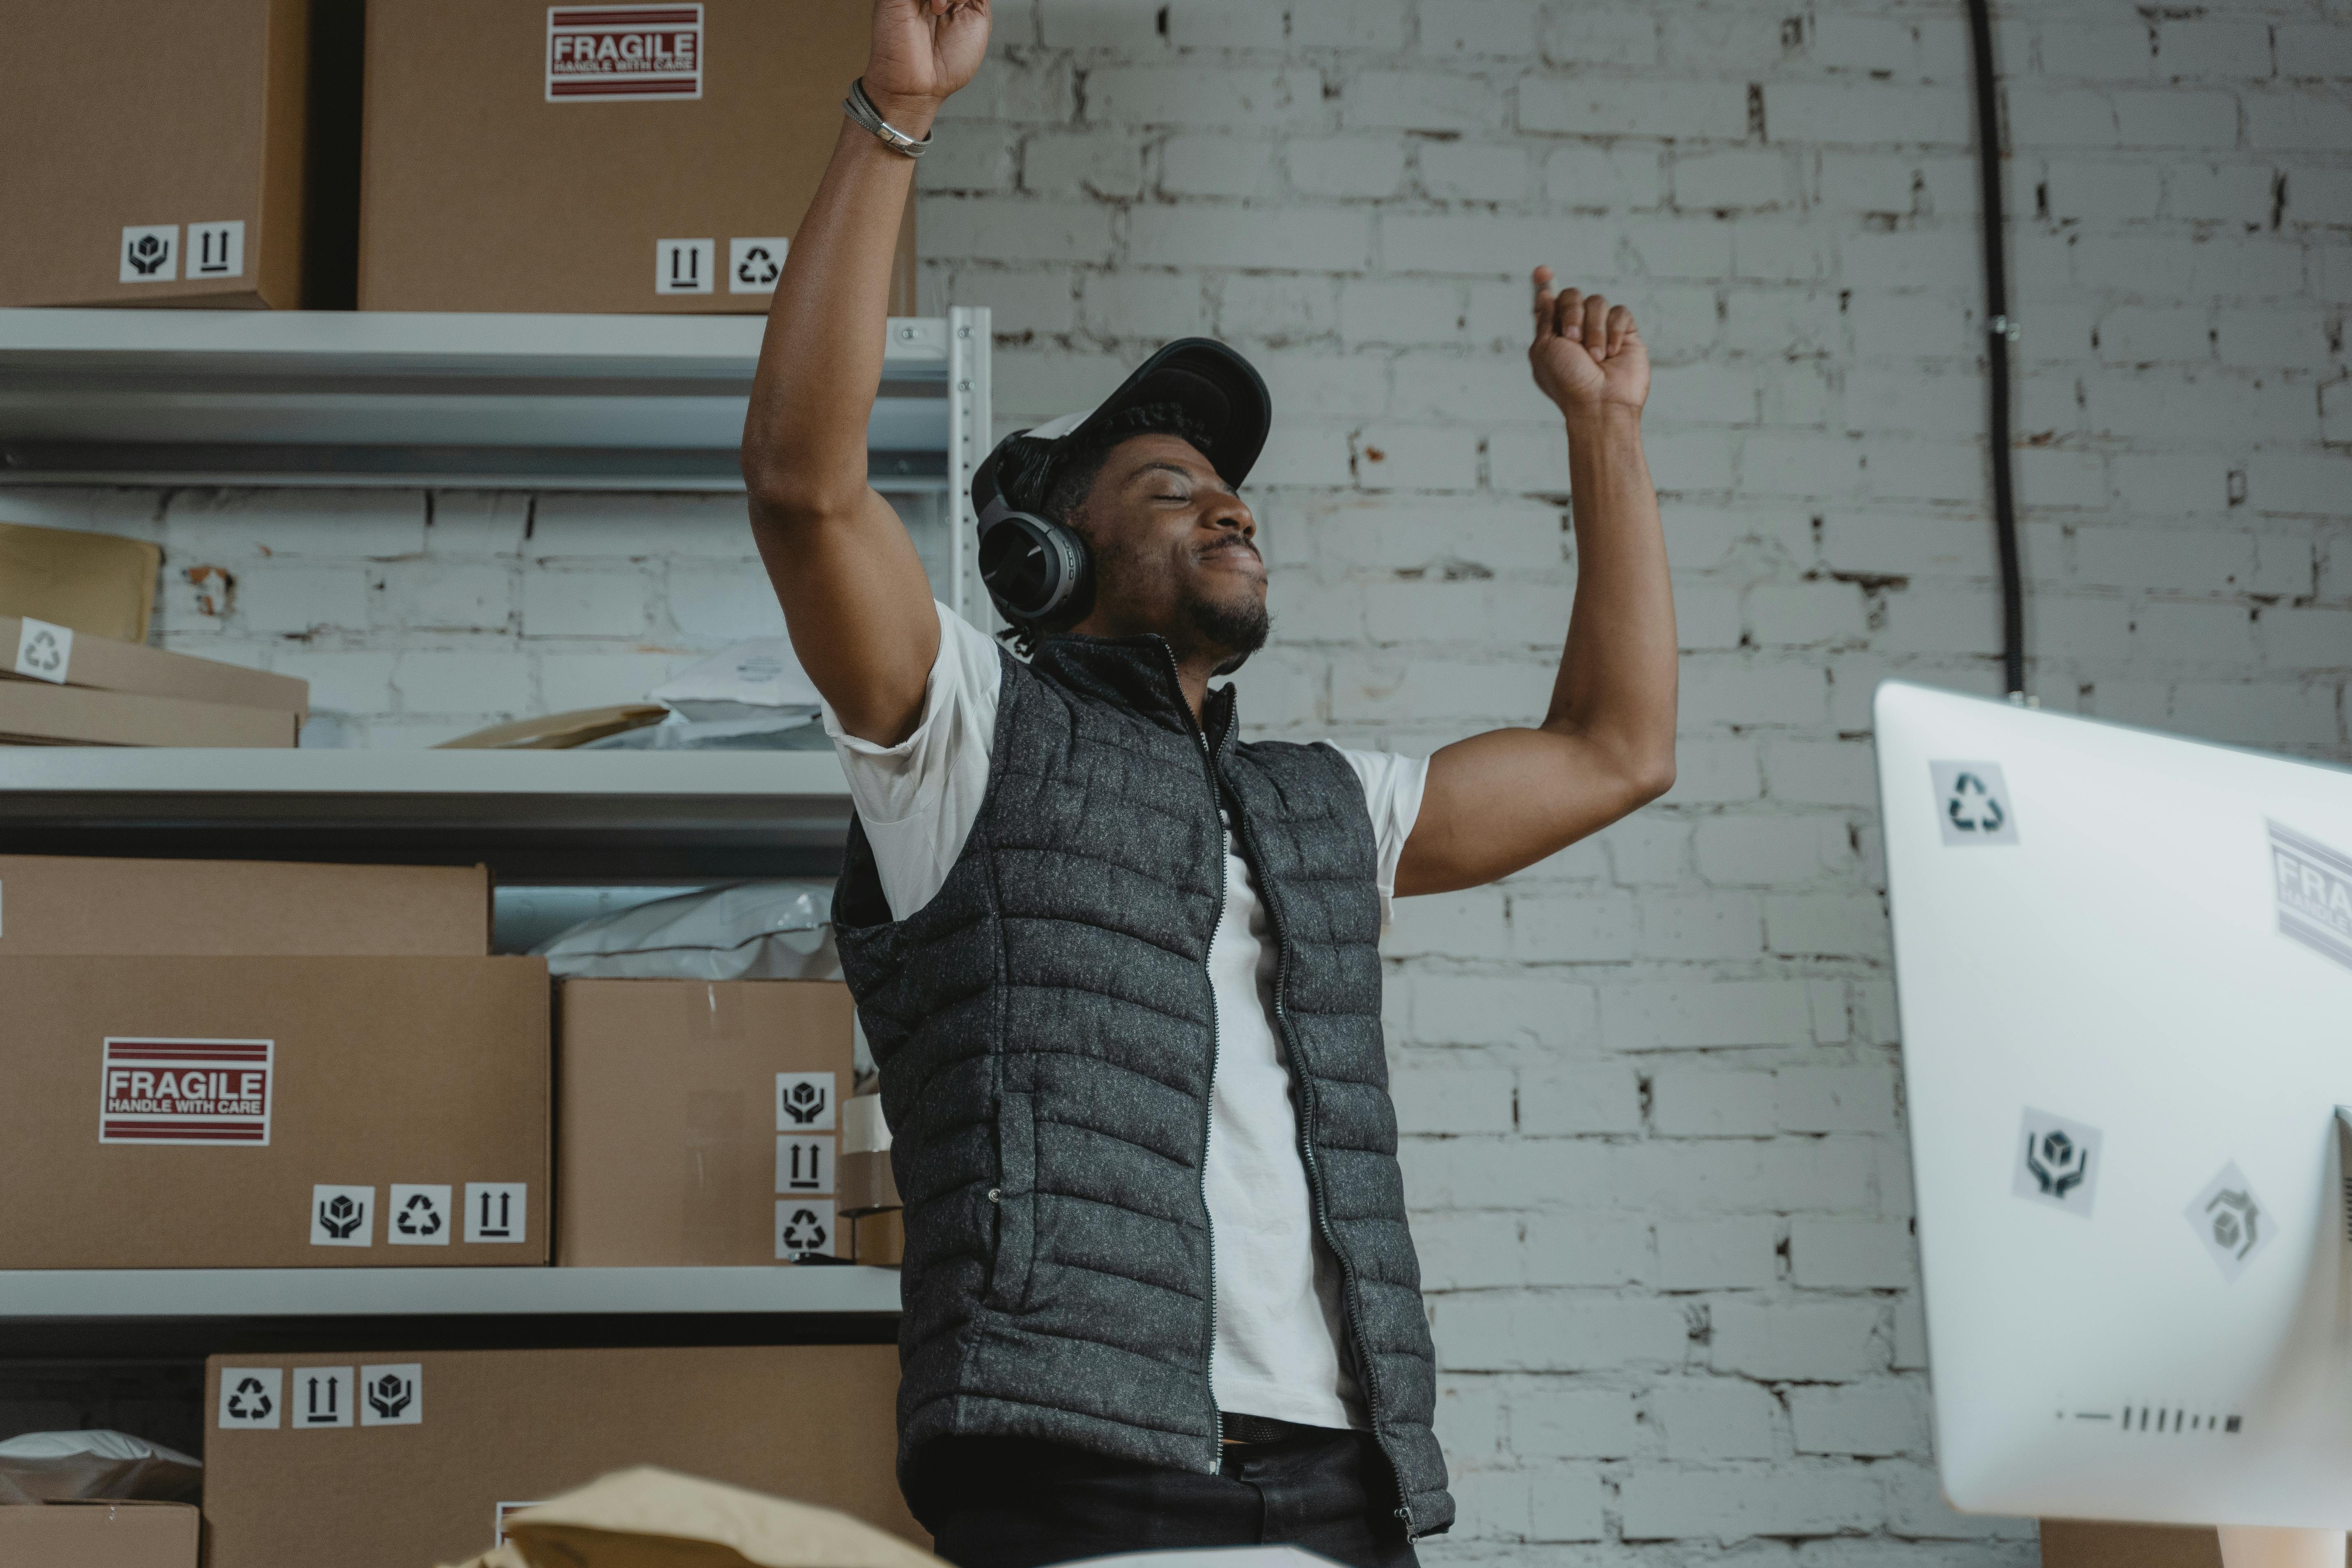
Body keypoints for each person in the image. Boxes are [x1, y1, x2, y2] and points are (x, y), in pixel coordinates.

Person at [740, 3, 1676, 1563]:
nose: (1227, 502)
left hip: (1343, 1475)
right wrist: (891, 116)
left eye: (1232, 486)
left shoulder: (1317, 806)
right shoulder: (969, 731)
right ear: (1048, 560)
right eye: (1169, 486)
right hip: (1077, 1469)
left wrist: (1606, 433)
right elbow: (802, 489)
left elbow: (1614, 751)